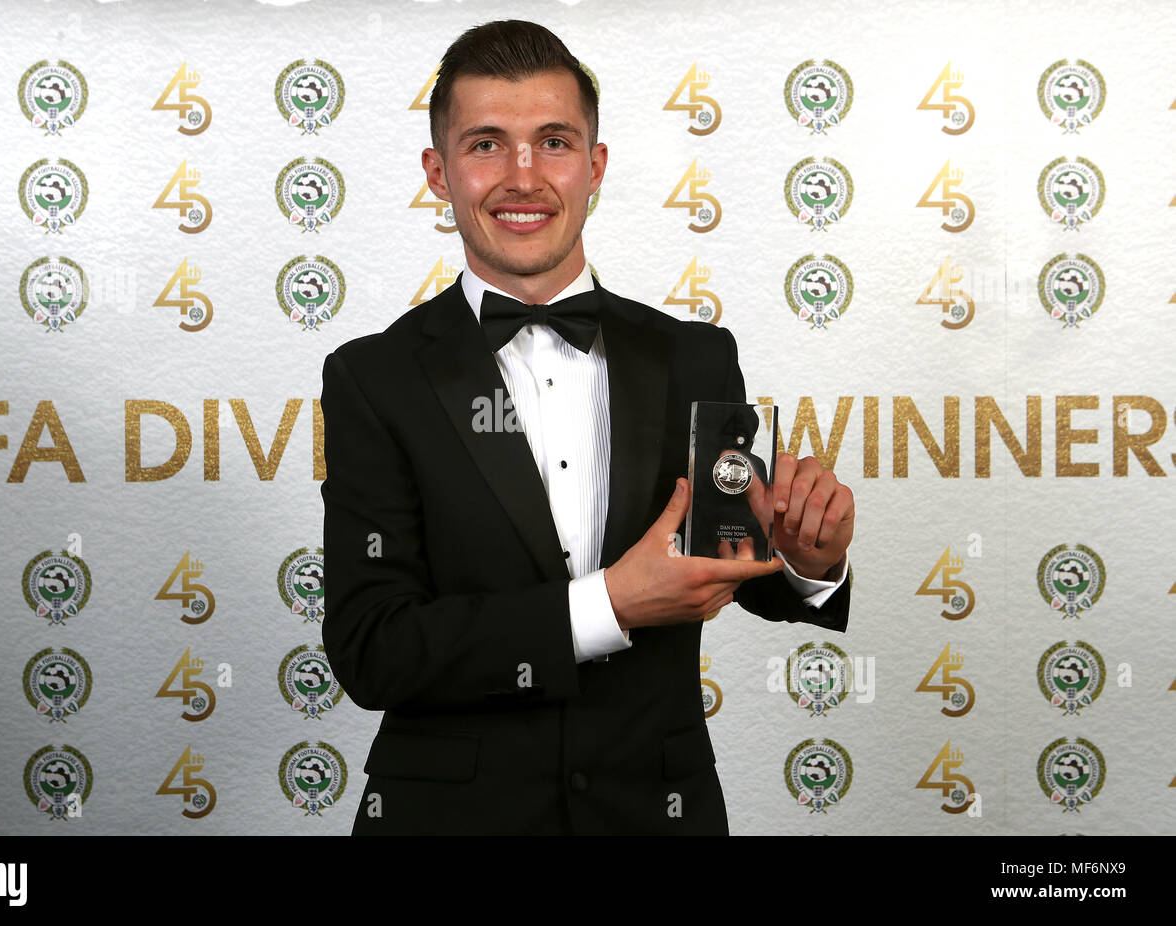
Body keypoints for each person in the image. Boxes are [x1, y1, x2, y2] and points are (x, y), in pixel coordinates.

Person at [320, 19, 854, 835]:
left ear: (595, 165)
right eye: (487, 144)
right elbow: (373, 648)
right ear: (438, 171)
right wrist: (610, 603)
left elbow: (736, 562)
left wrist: (810, 561)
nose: (523, 177)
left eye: (554, 142)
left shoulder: (697, 357)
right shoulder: (373, 378)